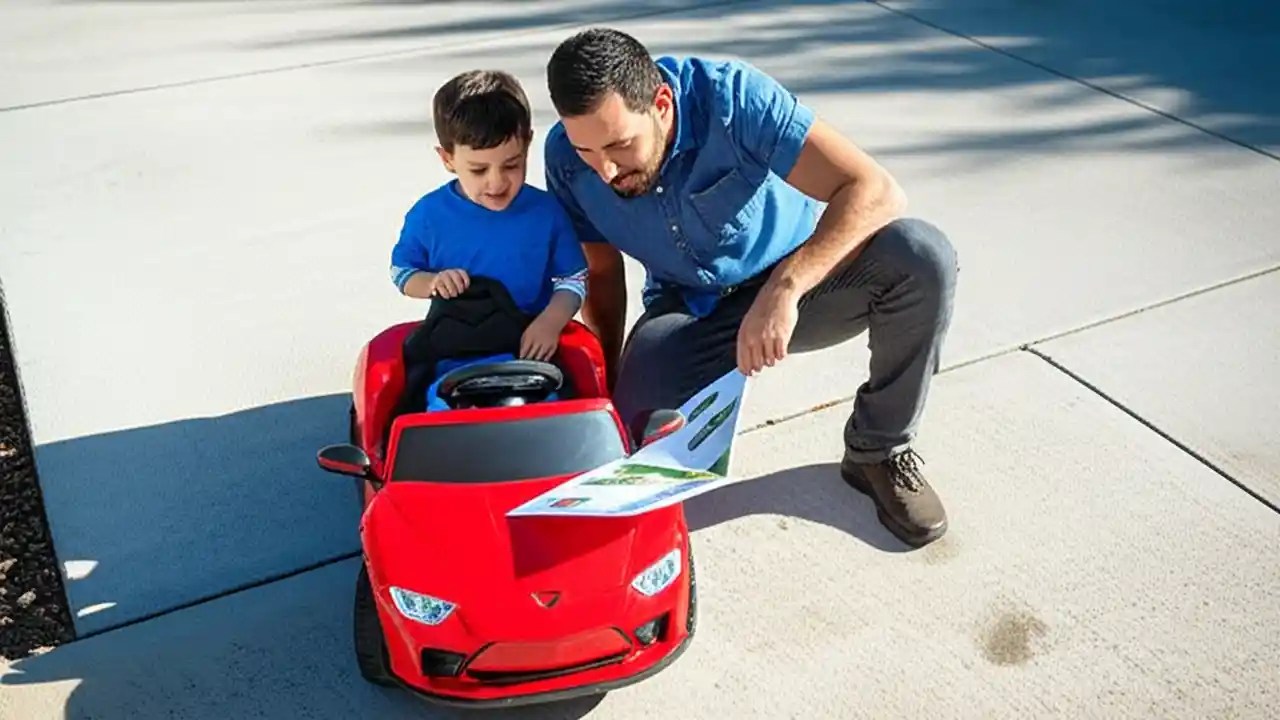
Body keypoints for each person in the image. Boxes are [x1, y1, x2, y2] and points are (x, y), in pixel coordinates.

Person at [542, 28, 958, 547]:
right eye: (586, 148)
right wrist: (603, 383)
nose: (603, 169)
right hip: (689, 307)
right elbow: (602, 275)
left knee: (921, 256)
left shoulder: (733, 100)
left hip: (804, 287)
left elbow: (875, 189)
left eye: (620, 145)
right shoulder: (564, 159)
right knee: (632, 451)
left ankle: (879, 450)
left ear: (662, 104)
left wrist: (784, 289)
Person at [389, 69, 589, 410]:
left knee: (550, 411)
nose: (497, 183)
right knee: (440, 413)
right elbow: (401, 271)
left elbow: (574, 279)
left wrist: (551, 322)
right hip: (453, 355)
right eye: (479, 170)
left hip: (529, 352)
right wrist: (433, 282)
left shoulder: (547, 213)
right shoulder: (429, 216)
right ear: (448, 159)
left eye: (512, 165)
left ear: (527, 141)